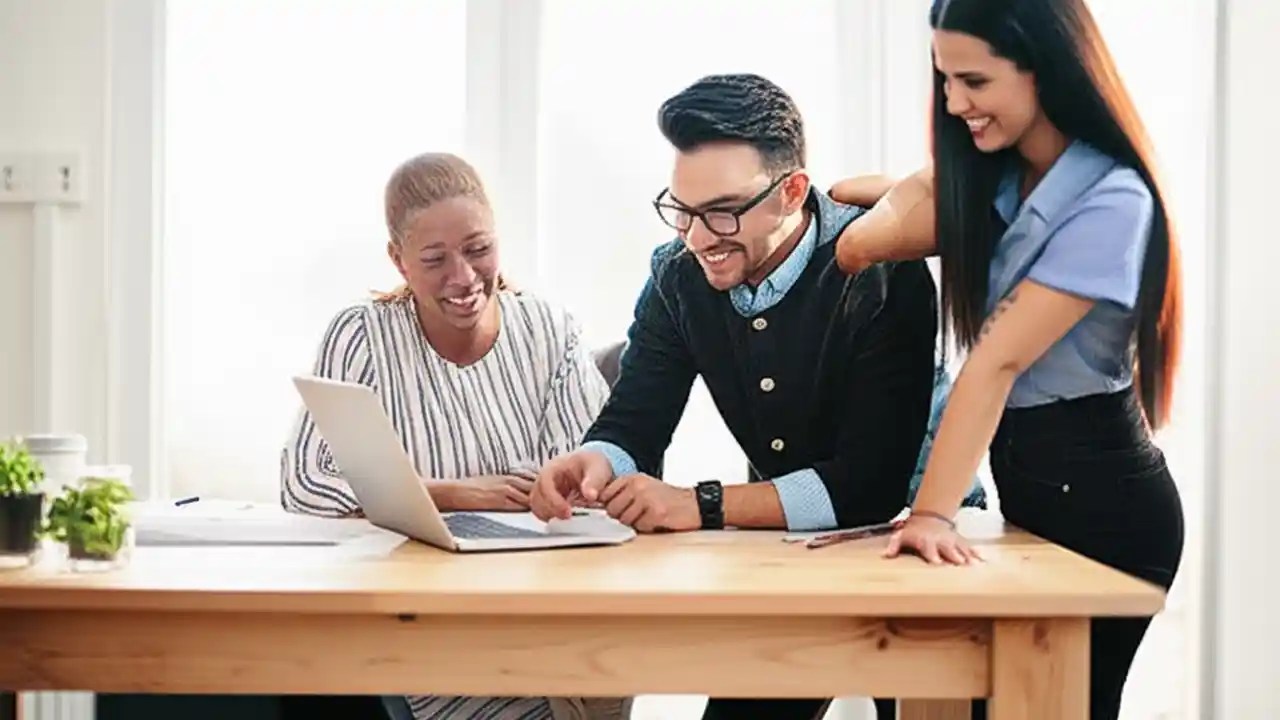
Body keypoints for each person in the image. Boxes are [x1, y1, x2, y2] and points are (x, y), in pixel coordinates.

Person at [531, 73, 982, 720]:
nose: (697, 238)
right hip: (791, 545)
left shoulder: (880, 267)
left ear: (792, 191)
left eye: (722, 212)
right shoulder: (677, 275)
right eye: (683, 211)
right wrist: (597, 459)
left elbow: (868, 487)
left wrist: (698, 504)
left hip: (920, 539)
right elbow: (637, 415)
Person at [831, 2, 1185, 718]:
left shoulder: (1112, 201)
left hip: (1104, 504)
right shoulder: (1005, 177)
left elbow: (996, 362)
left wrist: (931, 515)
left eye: (974, 81)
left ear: (1043, 70)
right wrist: (842, 203)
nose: (954, 103)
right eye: (944, 80)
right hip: (1035, 490)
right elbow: (871, 198)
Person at [280, 152, 625, 720]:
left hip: (547, 605)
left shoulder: (549, 328)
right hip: (424, 619)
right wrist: (451, 493)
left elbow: (583, 483)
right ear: (398, 260)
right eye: (435, 259)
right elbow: (305, 482)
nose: (463, 277)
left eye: (478, 249)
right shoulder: (362, 335)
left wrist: (397, 493)